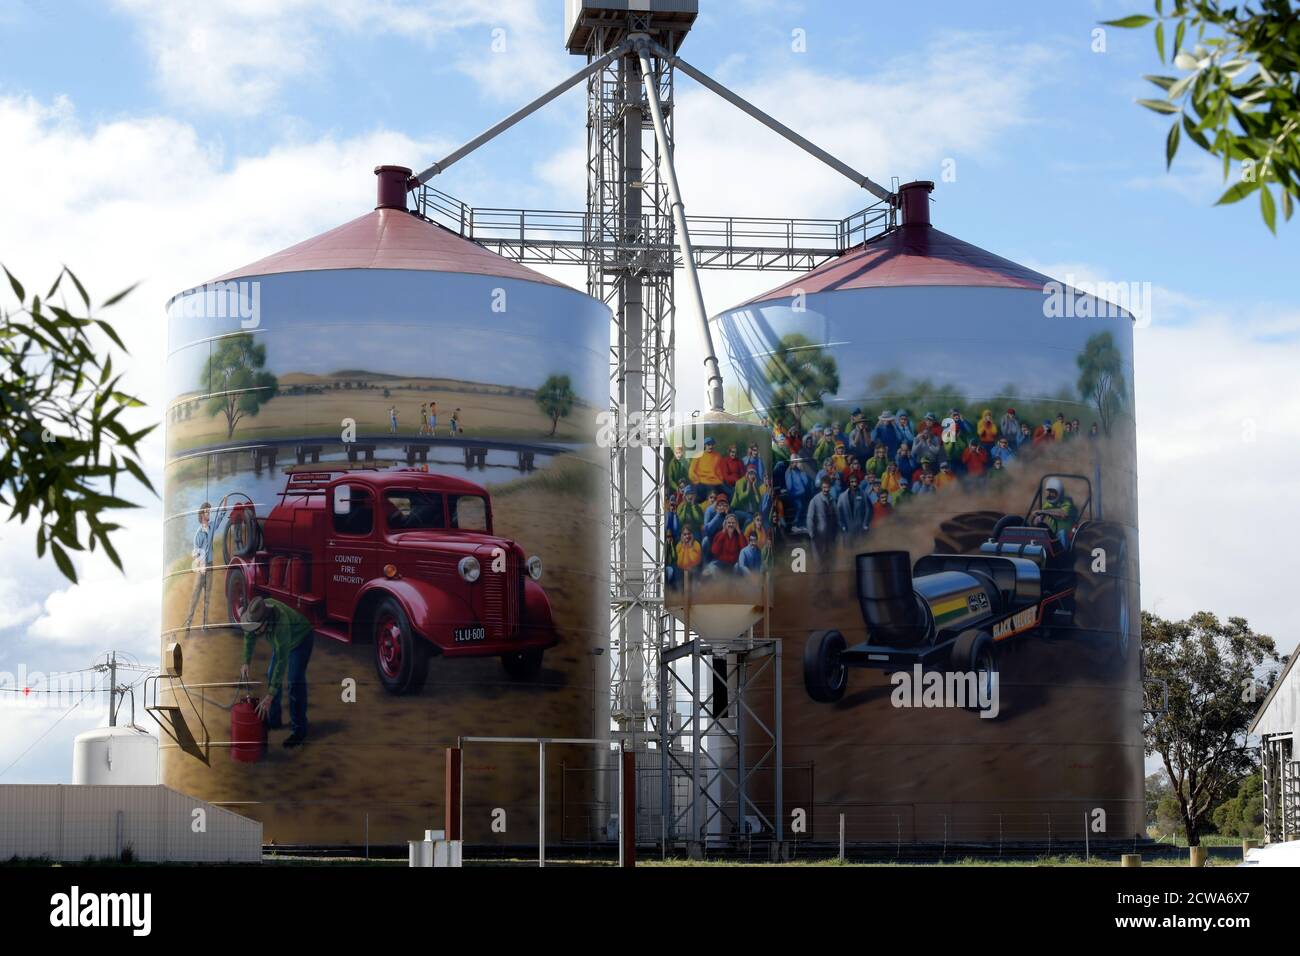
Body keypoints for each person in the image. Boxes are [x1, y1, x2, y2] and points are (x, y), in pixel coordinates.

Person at [238, 595, 315, 748]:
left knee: (294, 682)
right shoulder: (256, 614)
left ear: (265, 622)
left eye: (257, 628)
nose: (255, 632)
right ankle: (274, 720)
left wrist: (270, 695)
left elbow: (281, 660)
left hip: (300, 638)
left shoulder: (281, 624)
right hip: (282, 643)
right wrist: (246, 661)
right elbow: (249, 635)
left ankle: (299, 731)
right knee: (271, 674)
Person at [183, 495, 230, 636]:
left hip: (210, 566)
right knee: (195, 597)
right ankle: (188, 626)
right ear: (202, 514)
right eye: (207, 512)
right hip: (201, 569)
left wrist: (224, 502)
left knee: (207, 598)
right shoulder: (198, 533)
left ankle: (205, 625)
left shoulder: (211, 527)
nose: (209, 514)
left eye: (210, 511)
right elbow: (195, 552)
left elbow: (221, 516)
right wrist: (200, 564)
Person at [1031, 476, 1079, 548]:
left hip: (1068, 536)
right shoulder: (1047, 504)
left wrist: (1043, 511)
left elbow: (1063, 514)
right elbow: (1040, 517)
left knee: (1062, 533)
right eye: (1049, 492)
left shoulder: (1067, 502)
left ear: (1059, 492)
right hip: (1052, 535)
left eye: (1053, 492)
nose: (1051, 494)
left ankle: (1064, 555)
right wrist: (1037, 518)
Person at [807, 477, 837, 562]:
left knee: (830, 560)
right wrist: (812, 534)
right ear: (821, 487)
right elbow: (809, 518)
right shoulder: (815, 500)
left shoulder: (832, 500)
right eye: (824, 487)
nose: (826, 490)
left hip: (830, 536)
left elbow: (836, 517)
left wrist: (836, 532)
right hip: (818, 536)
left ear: (830, 487)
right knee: (819, 561)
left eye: (827, 487)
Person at [837, 473, 869, 538]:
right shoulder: (842, 496)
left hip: (860, 528)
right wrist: (842, 525)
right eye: (852, 482)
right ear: (849, 483)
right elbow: (839, 513)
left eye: (855, 482)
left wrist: (865, 524)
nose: (854, 484)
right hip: (847, 529)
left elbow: (868, 509)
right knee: (849, 547)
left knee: (862, 546)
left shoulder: (863, 494)